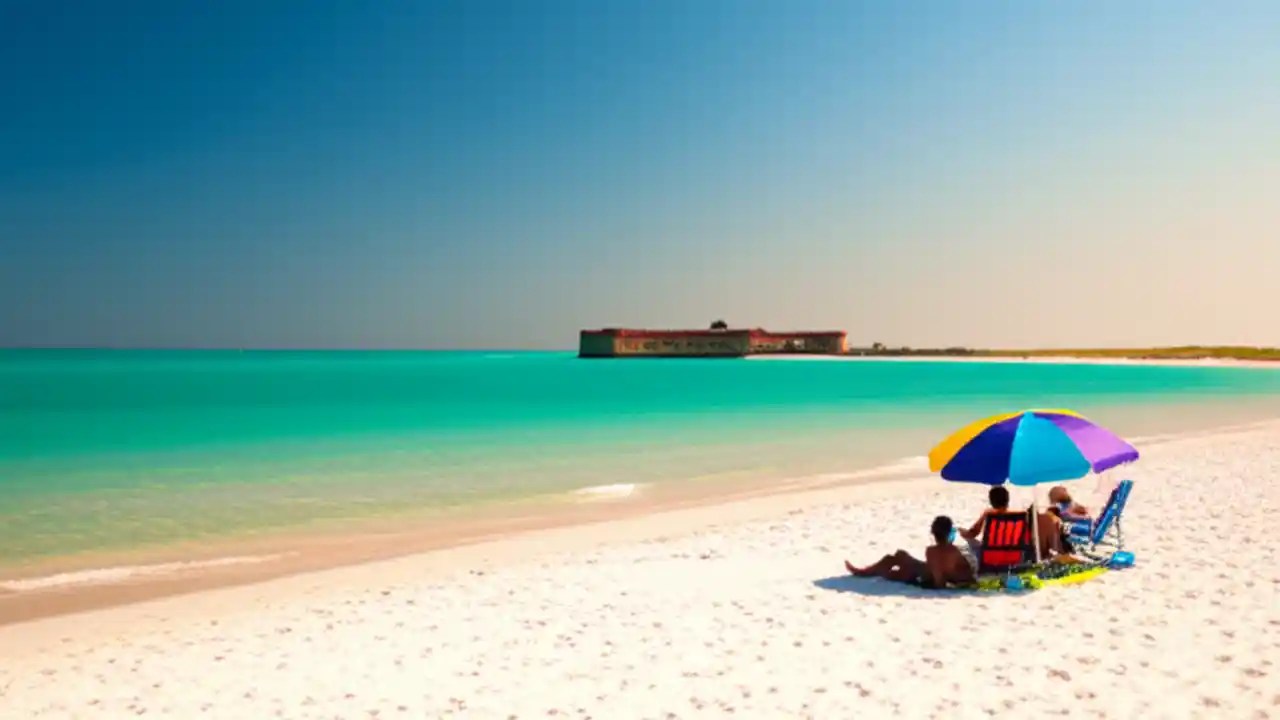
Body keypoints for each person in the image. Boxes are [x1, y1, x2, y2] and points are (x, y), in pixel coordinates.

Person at [844, 516, 976, 589]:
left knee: (897, 567)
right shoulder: (953, 550)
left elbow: (939, 583)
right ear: (949, 533)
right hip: (939, 574)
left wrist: (915, 581)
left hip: (937, 578)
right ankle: (866, 572)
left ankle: (863, 572)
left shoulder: (932, 552)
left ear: (933, 533)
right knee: (899, 555)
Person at [960, 485, 1065, 559]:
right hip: (1016, 556)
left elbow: (973, 533)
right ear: (1008, 499)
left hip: (990, 556)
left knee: (971, 541)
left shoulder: (988, 514)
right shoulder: (1020, 515)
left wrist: (962, 532)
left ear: (991, 501)